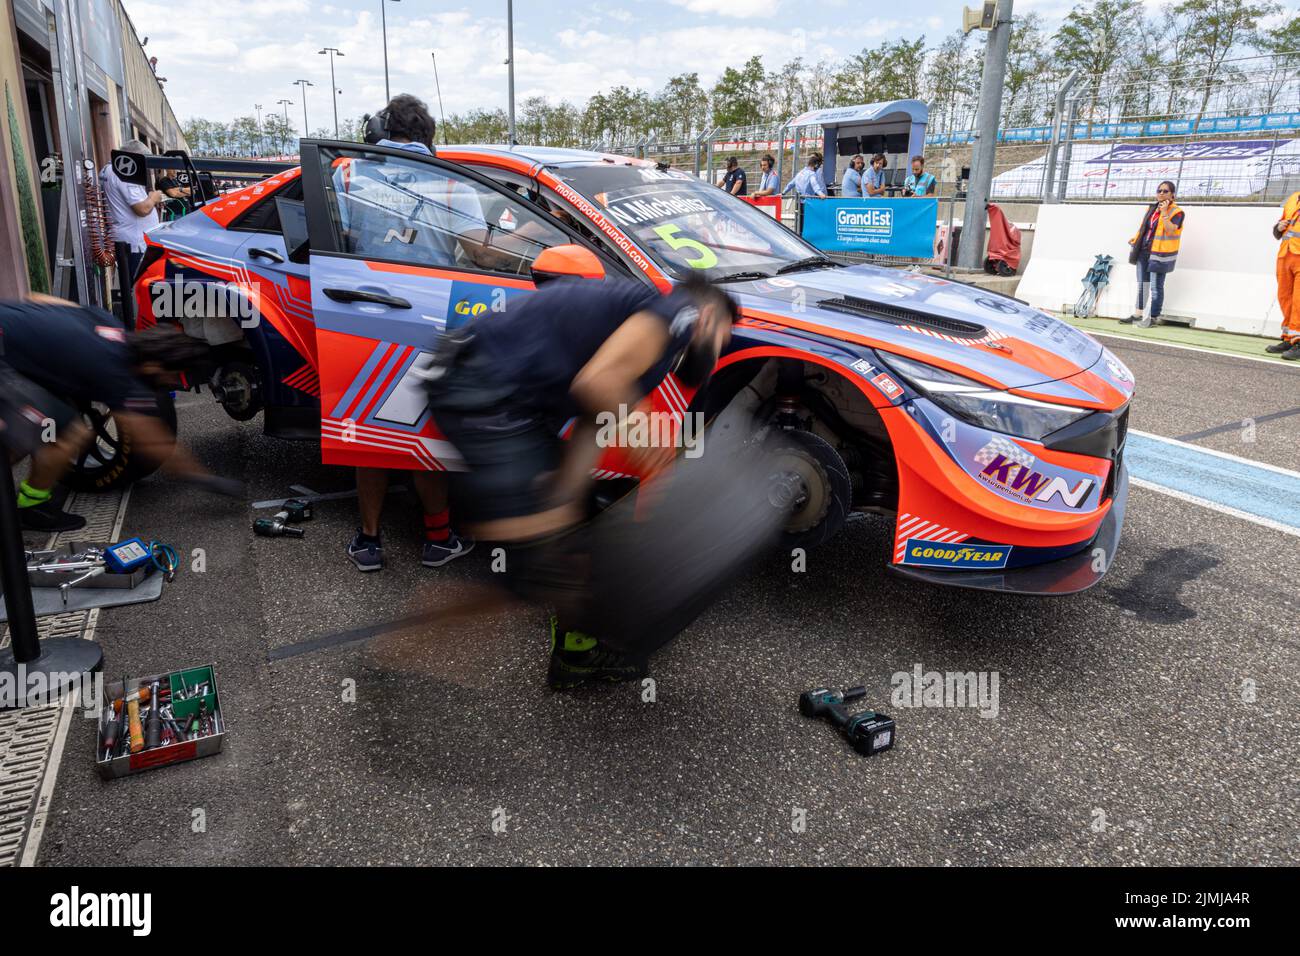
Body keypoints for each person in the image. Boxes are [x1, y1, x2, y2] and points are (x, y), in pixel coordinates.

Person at [426, 270, 738, 689]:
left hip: (508, 404)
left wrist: (568, 496)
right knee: (539, 560)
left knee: (568, 538)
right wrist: (646, 439)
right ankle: (411, 646)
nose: (719, 352)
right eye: (724, 338)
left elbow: (595, 418)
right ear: (708, 318)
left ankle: (574, 654)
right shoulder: (678, 314)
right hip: (484, 394)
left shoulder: (654, 342)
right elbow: (599, 383)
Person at [345, 93, 473, 571]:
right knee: (424, 429)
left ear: (381, 129)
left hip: (363, 312)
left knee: (371, 430)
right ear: (428, 134)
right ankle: (438, 539)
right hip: (430, 313)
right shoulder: (452, 181)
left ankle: (369, 542)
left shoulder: (349, 173)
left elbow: (334, 236)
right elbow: (473, 249)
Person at [0, 294, 240, 531]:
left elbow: (41, 299)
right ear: (154, 366)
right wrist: (205, 479)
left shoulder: (111, 323)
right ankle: (32, 508)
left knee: (35, 427)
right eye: (172, 376)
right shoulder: (120, 377)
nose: (173, 382)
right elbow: (155, 443)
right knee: (67, 435)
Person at [99, 140, 165, 330]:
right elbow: (142, 208)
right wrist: (154, 196)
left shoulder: (107, 169)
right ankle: (139, 330)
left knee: (130, 289)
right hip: (135, 242)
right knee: (139, 292)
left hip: (125, 238)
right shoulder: (125, 172)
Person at [1122, 180, 1184, 327]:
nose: (1161, 193)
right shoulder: (1151, 209)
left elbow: (1170, 230)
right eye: (1159, 190)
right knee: (1143, 284)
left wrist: (1164, 213)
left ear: (1172, 194)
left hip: (1160, 254)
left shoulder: (1177, 212)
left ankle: (1154, 317)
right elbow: (1145, 228)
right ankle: (1138, 315)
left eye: (1165, 191)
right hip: (1143, 251)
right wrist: (1136, 241)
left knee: (1156, 287)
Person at [1267, 188, 1300, 359]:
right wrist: (1278, 227)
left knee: (1299, 302)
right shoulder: (1293, 198)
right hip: (1286, 255)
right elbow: (1280, 228)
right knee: (1285, 298)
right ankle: (1289, 338)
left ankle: (1298, 341)